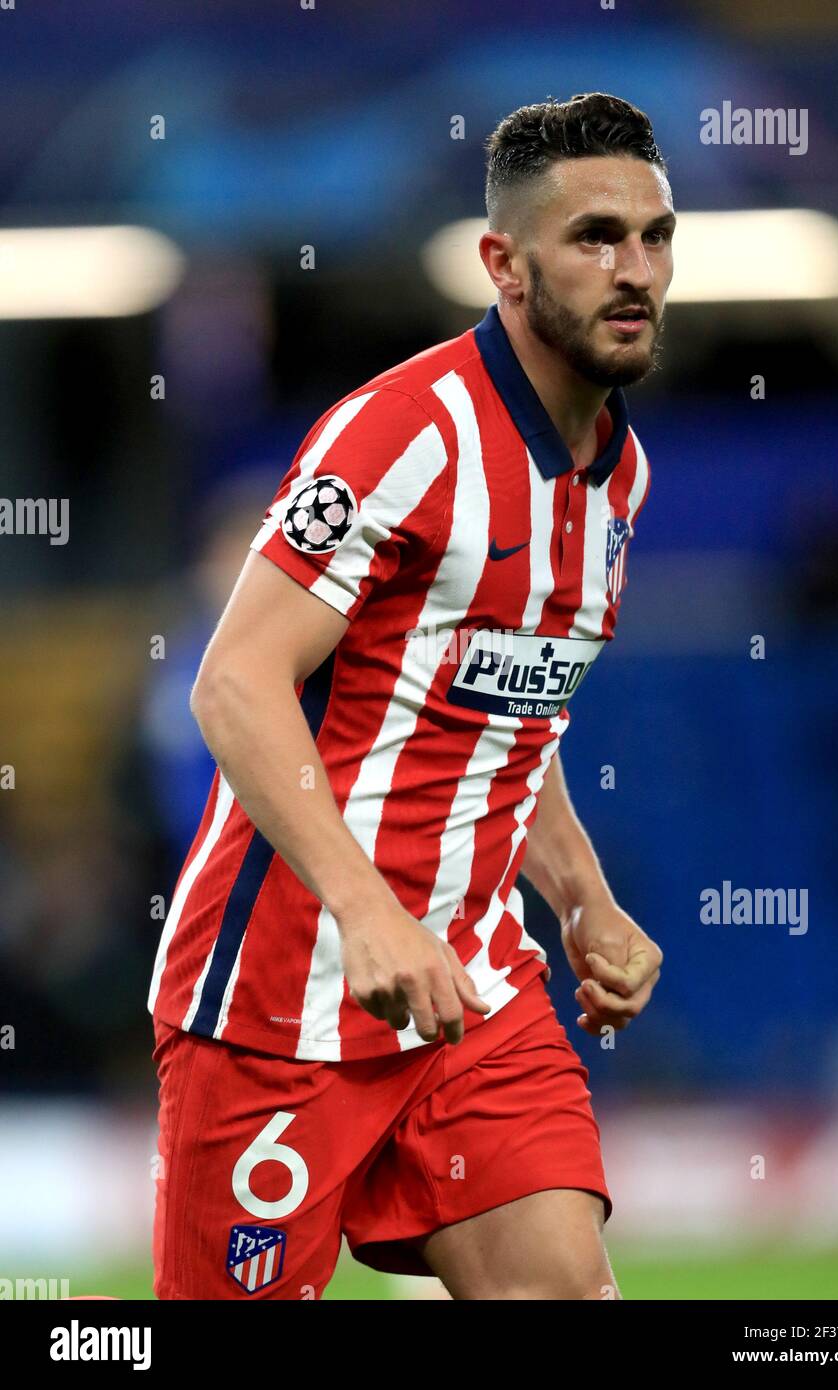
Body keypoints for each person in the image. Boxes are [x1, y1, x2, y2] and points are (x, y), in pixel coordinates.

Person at [148, 91, 670, 1300]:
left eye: (653, 235)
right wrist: (364, 911)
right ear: (503, 263)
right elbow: (231, 684)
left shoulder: (620, 475)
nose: (634, 269)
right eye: (594, 237)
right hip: (282, 997)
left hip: (471, 988)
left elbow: (501, 714)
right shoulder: (402, 435)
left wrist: (582, 900)